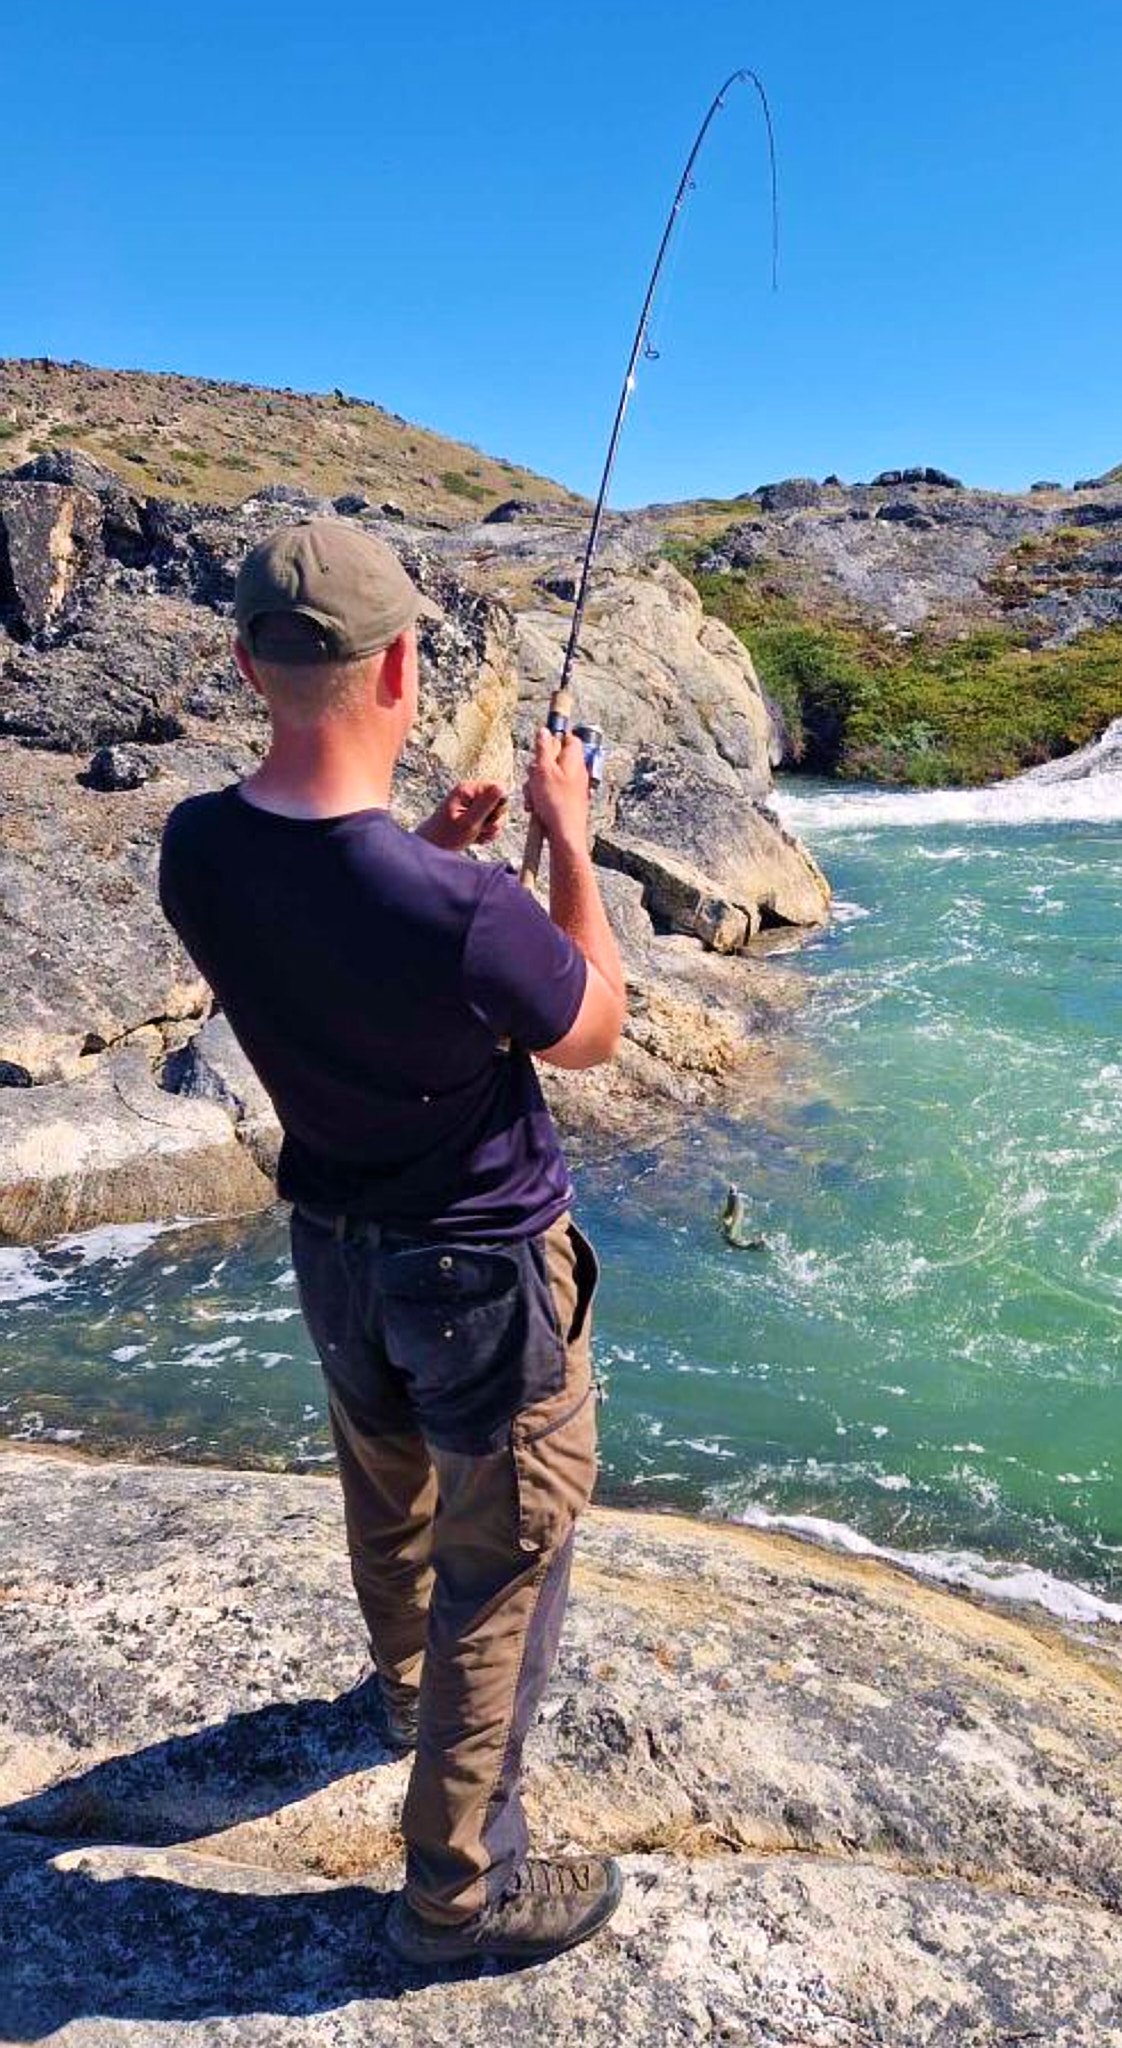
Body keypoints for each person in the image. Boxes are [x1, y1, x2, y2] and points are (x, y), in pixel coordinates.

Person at [157, 519, 628, 1969]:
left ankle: (399, 1696)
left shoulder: (198, 848)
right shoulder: (462, 906)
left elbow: (326, 926)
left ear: (246, 666)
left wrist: (430, 852)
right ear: (405, 668)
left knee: (389, 1493)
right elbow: (593, 1026)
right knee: (507, 1555)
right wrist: (565, 844)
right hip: (479, 1273)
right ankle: (460, 1893)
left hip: (336, 1251)